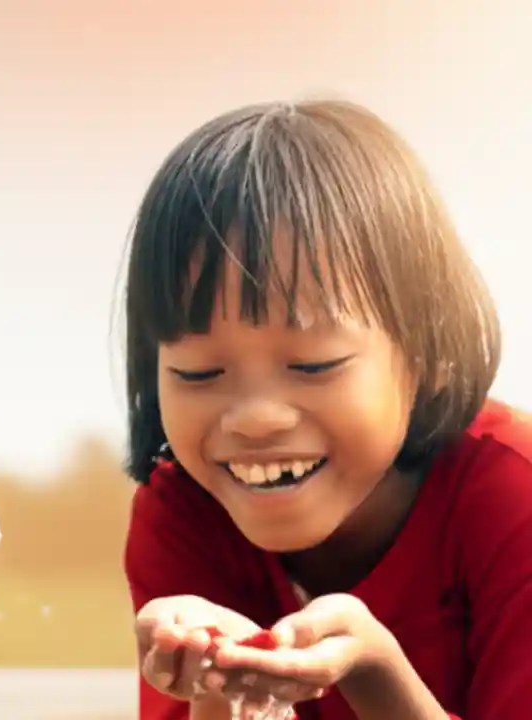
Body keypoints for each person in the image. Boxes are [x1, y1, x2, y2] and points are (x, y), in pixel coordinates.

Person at [122, 99, 530, 719]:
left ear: (429, 351)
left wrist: (375, 670)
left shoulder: (512, 495)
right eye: (198, 372)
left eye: (313, 365)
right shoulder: (180, 513)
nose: (255, 417)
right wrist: (213, 687)